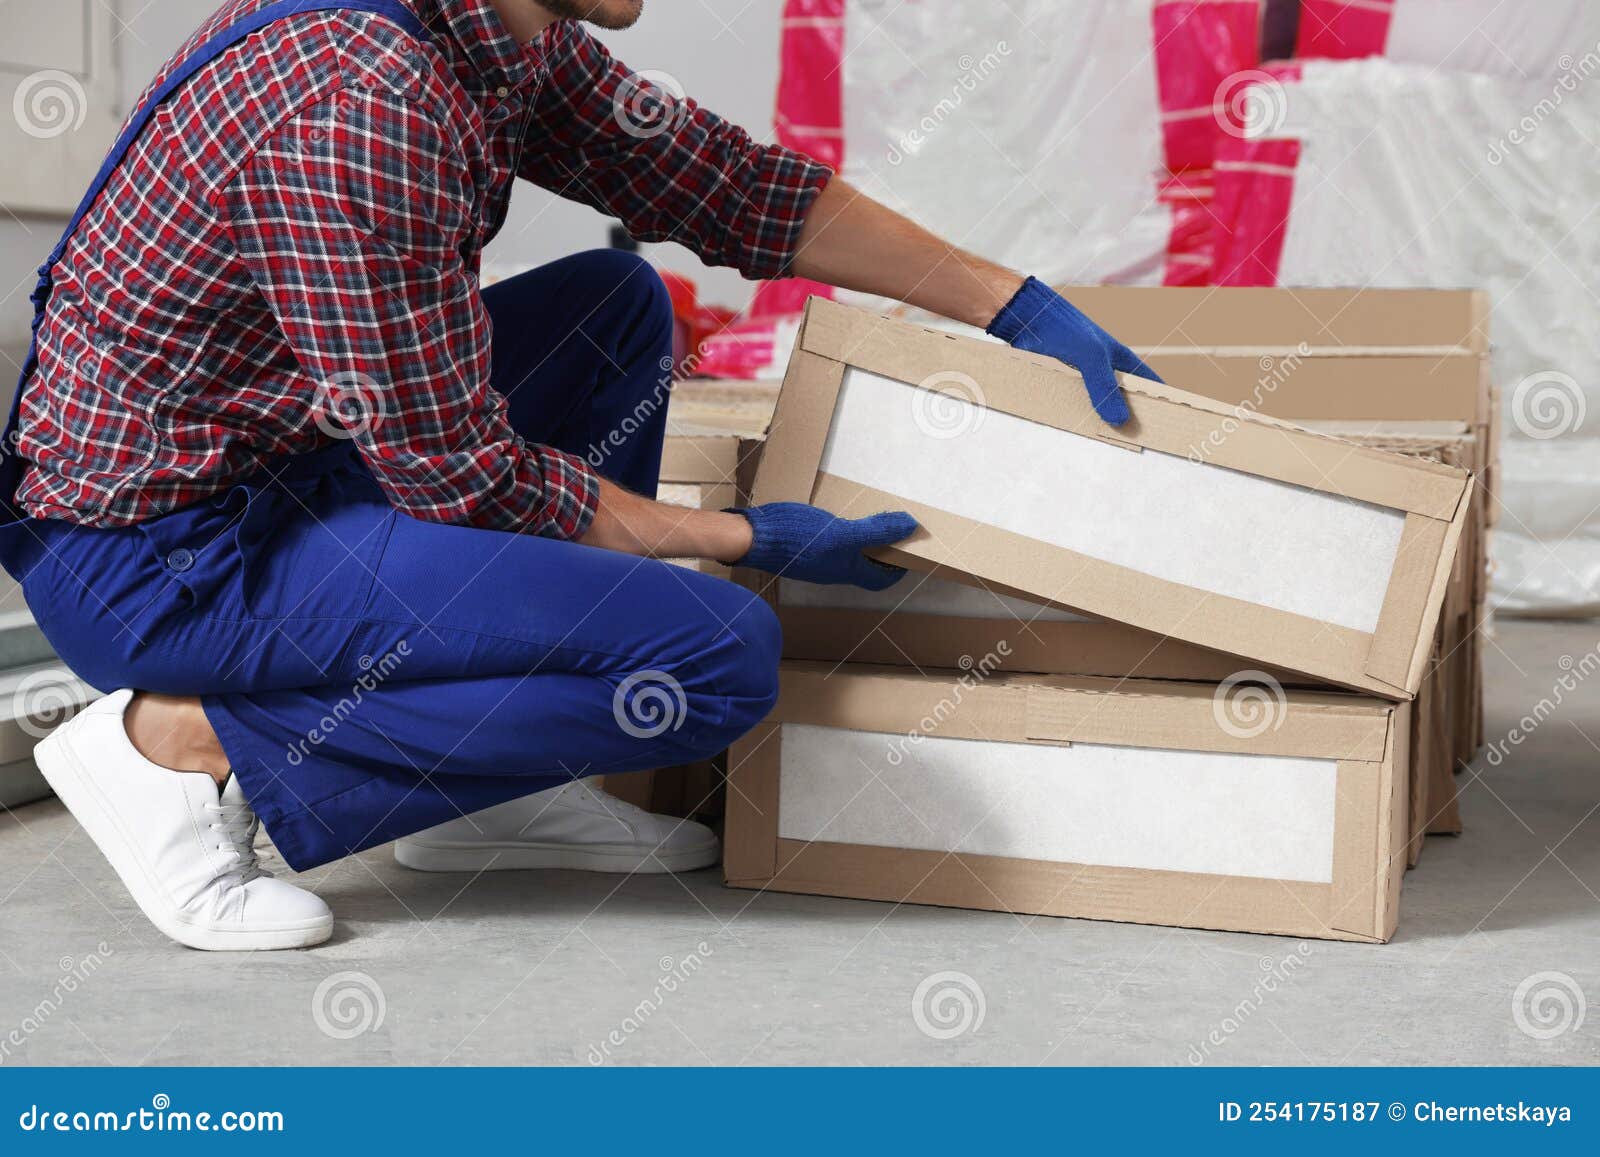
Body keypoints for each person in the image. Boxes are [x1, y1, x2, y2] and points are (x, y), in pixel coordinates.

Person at [1, 0, 1159, 950]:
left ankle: (487, 799)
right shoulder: (359, 97)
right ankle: (176, 743)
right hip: (169, 562)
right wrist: (741, 538)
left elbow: (726, 185)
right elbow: (459, 475)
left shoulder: (493, 36)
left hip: (283, 466)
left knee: (613, 311)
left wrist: (1012, 303)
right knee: (711, 656)